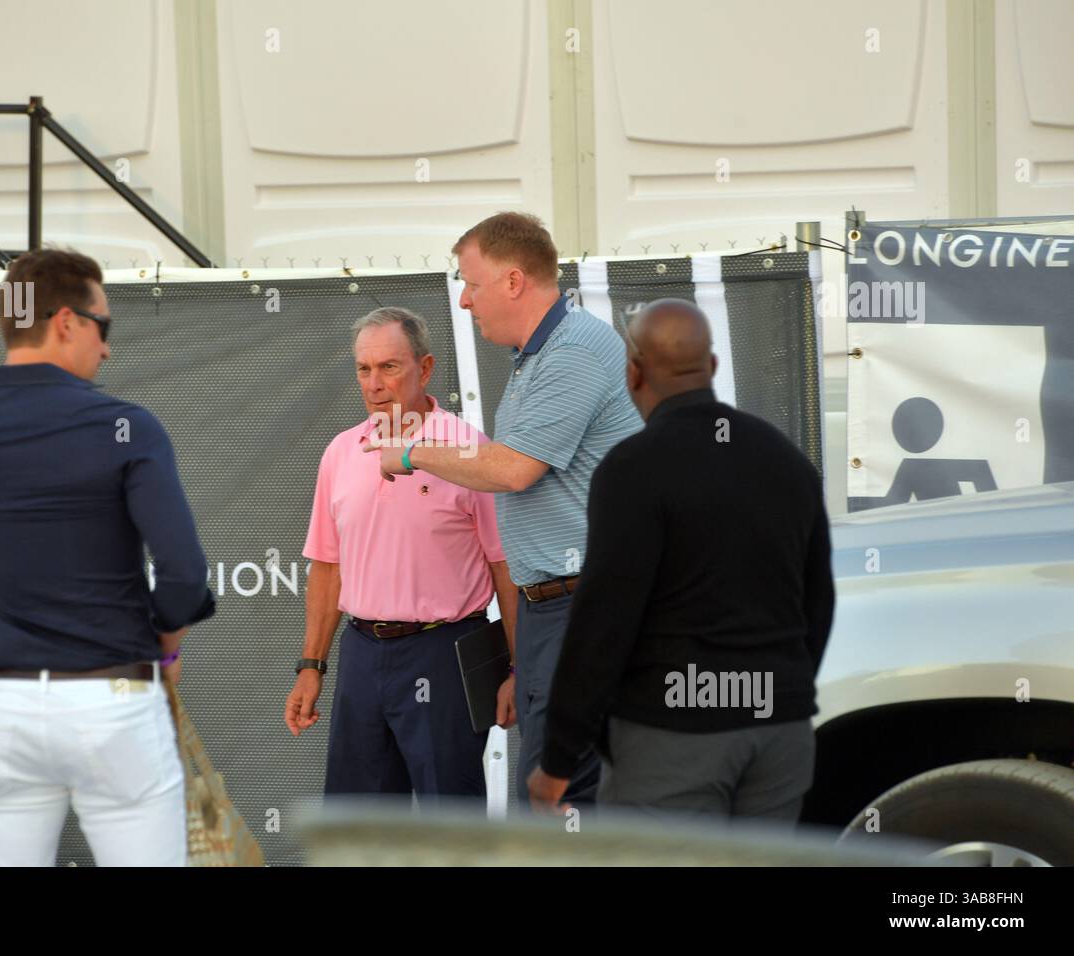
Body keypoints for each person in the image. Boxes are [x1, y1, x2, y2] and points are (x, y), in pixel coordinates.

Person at [0, 248, 215, 866]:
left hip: (5, 706)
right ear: (65, 324)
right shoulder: (126, 427)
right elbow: (184, 575)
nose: (107, 348)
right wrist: (167, 649)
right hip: (113, 701)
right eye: (104, 327)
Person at [368, 212, 641, 805]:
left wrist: (412, 452)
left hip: (582, 607)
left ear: (514, 281)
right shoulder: (539, 356)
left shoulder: (572, 354)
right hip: (558, 609)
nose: (464, 301)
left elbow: (513, 469)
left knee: (561, 804)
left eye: (471, 283)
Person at [527, 299, 835, 821]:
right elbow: (818, 600)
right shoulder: (784, 459)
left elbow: (603, 621)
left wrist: (557, 759)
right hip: (778, 732)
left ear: (633, 371)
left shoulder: (633, 469)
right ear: (712, 366)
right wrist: (783, 693)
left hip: (671, 736)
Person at [286, 307, 518, 798]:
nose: (374, 384)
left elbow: (506, 569)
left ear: (426, 368)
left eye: (389, 367)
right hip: (361, 656)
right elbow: (327, 568)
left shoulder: (469, 450)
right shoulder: (341, 452)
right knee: (358, 826)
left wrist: (519, 670)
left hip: (446, 654)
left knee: (448, 827)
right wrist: (311, 666)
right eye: (364, 369)